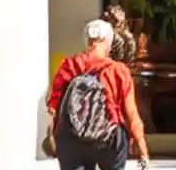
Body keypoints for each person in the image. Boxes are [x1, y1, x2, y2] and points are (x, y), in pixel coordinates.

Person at [48, 19, 150, 170]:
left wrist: (52, 136)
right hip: (109, 138)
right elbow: (131, 113)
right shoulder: (118, 70)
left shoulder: (69, 65)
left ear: (87, 41)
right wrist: (142, 149)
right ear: (108, 42)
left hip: (72, 138)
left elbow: (53, 109)